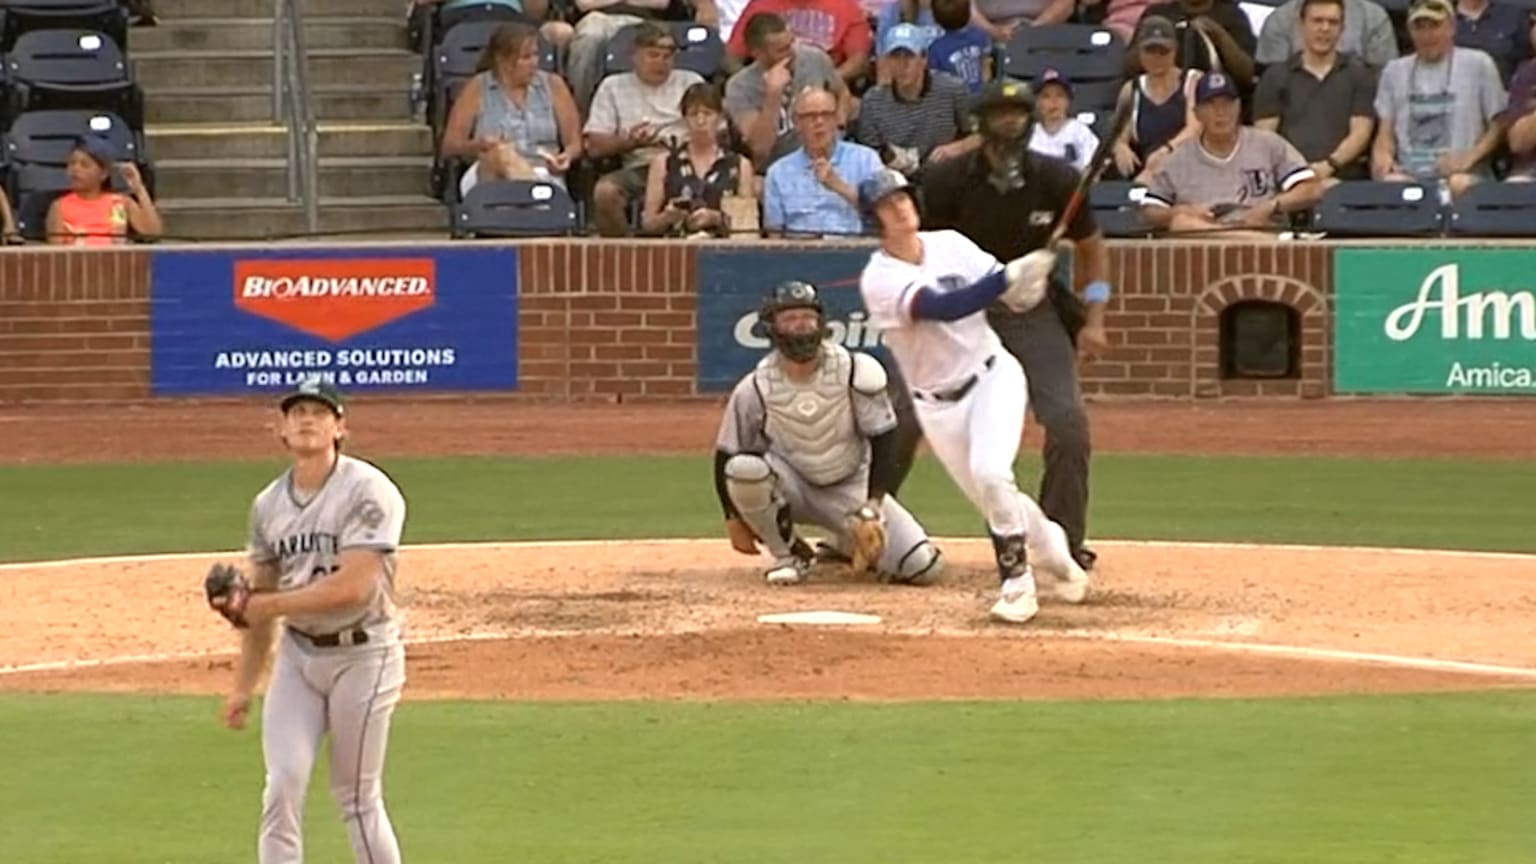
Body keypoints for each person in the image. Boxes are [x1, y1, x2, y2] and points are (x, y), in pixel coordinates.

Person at [856, 168, 1089, 624]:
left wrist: (1026, 286)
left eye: (903, 198)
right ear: (874, 220)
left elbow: (1004, 293)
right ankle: (1056, 550)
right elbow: (943, 308)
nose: (900, 207)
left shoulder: (951, 245)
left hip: (992, 378)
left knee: (991, 471)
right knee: (995, 496)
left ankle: (1017, 585)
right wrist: (1009, 280)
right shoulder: (879, 280)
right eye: (887, 204)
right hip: (937, 406)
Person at [203, 378, 409, 864]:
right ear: (282, 430)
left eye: (320, 412)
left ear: (340, 427)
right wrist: (242, 687)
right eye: (297, 413)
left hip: (366, 654)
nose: (308, 420)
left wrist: (262, 605)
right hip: (299, 657)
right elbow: (258, 608)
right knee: (282, 786)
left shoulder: (370, 491)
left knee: (357, 799)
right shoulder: (268, 505)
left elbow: (352, 587)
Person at [911, 78, 1113, 574]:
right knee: (908, 416)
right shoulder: (947, 180)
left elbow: (1092, 249)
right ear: (981, 124)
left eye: (1019, 114)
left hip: (1033, 314)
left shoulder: (1057, 179)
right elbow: (927, 255)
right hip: (967, 314)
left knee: (1067, 423)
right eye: (1000, 115)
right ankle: (865, 525)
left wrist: (1095, 317)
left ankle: (1063, 538)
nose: (1010, 123)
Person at [713, 280, 945, 586]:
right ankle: (789, 554)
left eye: (807, 318)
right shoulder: (754, 387)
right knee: (744, 470)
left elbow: (884, 440)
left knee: (921, 568)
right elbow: (726, 454)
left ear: (822, 323)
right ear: (772, 327)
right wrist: (733, 517)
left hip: (850, 487)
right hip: (790, 485)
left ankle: (844, 541)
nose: (801, 327)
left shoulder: (855, 371)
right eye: (790, 319)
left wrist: (872, 505)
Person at [1140, 71, 1324, 235]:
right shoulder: (1178, 159)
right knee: (1183, 223)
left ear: (1238, 107)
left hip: (1265, 239)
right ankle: (1239, 237)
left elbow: (1312, 189)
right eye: (1211, 105)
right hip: (1201, 248)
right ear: (1197, 113)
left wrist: (1273, 205)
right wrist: (1182, 211)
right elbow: (1150, 210)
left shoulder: (1268, 144)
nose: (1221, 112)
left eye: (1227, 104)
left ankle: (1247, 238)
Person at [1371, 0, 1508, 200]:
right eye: (1420, 27)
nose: (1427, 35)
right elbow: (1385, 132)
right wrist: (1382, 155)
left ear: (1452, 27)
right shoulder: (1394, 71)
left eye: (1435, 26)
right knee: (1392, 184)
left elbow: (1499, 125)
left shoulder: (1479, 64)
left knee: (1458, 183)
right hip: (1410, 176)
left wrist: (1468, 158)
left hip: (1463, 176)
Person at [583, 20, 705, 236]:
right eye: (653, 55)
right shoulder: (613, 86)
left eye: (667, 56)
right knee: (606, 191)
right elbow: (594, 146)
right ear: (635, 56)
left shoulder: (691, 82)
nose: (660, 63)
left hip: (689, 163)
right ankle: (622, 253)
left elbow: (716, 127)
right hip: (640, 166)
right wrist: (630, 141)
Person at [440, 21, 583, 198]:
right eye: (526, 57)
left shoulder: (554, 85)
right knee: (500, 153)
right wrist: (478, 145)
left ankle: (530, 195)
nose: (534, 63)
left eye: (536, 55)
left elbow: (575, 143)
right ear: (502, 60)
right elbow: (450, 146)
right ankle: (534, 198)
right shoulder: (477, 87)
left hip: (544, 173)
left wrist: (566, 156)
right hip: (488, 176)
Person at [1252, 0, 1377, 186]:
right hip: (1288, 179)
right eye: (1317, 21)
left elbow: (1360, 132)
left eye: (1333, 22)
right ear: (1301, 25)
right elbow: (1265, 136)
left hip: (1345, 180)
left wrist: (1328, 166)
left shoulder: (1359, 75)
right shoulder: (1275, 76)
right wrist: (1297, 172)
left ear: (1342, 29)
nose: (1325, 28)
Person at [761, 86, 883, 236]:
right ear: (796, 123)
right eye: (810, 116)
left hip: (852, 250)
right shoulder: (778, 173)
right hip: (799, 253)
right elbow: (774, 235)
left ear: (837, 118)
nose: (819, 122)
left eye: (826, 115)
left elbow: (883, 214)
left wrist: (839, 186)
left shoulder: (866, 159)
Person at [640, 82, 756, 236]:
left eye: (707, 114)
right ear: (684, 119)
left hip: (722, 249)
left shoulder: (740, 165)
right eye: (694, 114)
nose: (700, 121)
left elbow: (747, 226)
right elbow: (648, 224)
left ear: (720, 118)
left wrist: (717, 218)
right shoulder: (663, 163)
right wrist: (668, 217)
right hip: (675, 249)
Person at [46, 135, 161, 245]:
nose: (75, 169)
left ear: (103, 173)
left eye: (84, 165)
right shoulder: (59, 206)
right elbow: (56, 253)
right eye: (72, 163)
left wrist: (139, 188)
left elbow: (152, 233)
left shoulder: (120, 203)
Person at [1027, 68, 1101, 172]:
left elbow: (1094, 164)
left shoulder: (1079, 130)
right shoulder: (1029, 133)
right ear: (1036, 103)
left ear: (1068, 101)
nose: (1054, 101)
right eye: (1046, 96)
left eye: (1060, 95)